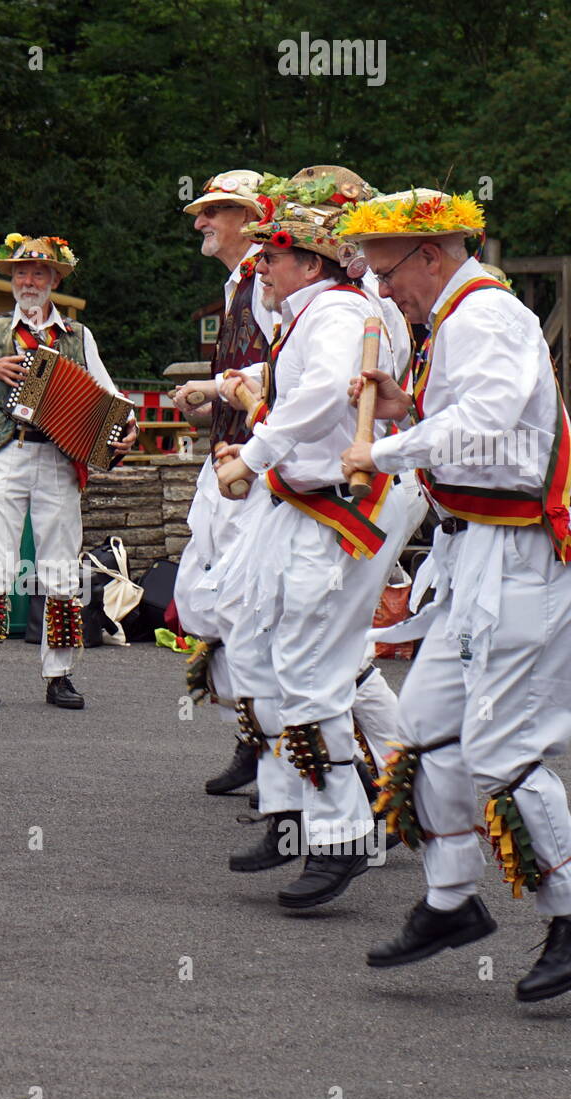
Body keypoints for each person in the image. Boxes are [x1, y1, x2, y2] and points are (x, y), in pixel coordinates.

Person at [338, 187, 571, 1002]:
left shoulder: (486, 316)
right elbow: (476, 419)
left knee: (505, 748)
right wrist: (413, 410)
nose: (379, 286)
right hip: (483, 554)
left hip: (539, 552)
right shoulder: (455, 321)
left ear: (430, 254)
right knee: (427, 732)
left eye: (385, 266)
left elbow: (495, 420)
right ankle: (450, 899)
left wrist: (388, 446)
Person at [214, 173, 418, 911]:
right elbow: (294, 383)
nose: (259, 267)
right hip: (298, 503)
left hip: (335, 509)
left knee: (309, 666)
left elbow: (328, 387)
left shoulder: (336, 311)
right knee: (255, 643)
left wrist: (256, 451)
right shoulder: (311, 311)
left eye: (271, 255)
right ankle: (293, 810)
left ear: (309, 261)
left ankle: (340, 833)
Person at [0, 235, 137, 709]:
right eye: (20, 273)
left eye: (37, 274)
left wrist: (128, 427)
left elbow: (108, 394)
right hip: (8, 455)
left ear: (54, 280)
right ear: (11, 279)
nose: (27, 281)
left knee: (58, 568)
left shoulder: (78, 336)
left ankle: (59, 676)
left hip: (58, 459)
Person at [171, 169, 275, 796]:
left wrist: (215, 387)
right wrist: (215, 409)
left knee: (247, 601)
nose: (201, 222)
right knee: (212, 594)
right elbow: (262, 379)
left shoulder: (272, 275)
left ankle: (279, 751)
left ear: (251, 217)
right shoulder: (240, 281)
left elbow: (286, 363)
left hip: (260, 466)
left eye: (214, 211)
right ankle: (254, 739)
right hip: (233, 452)